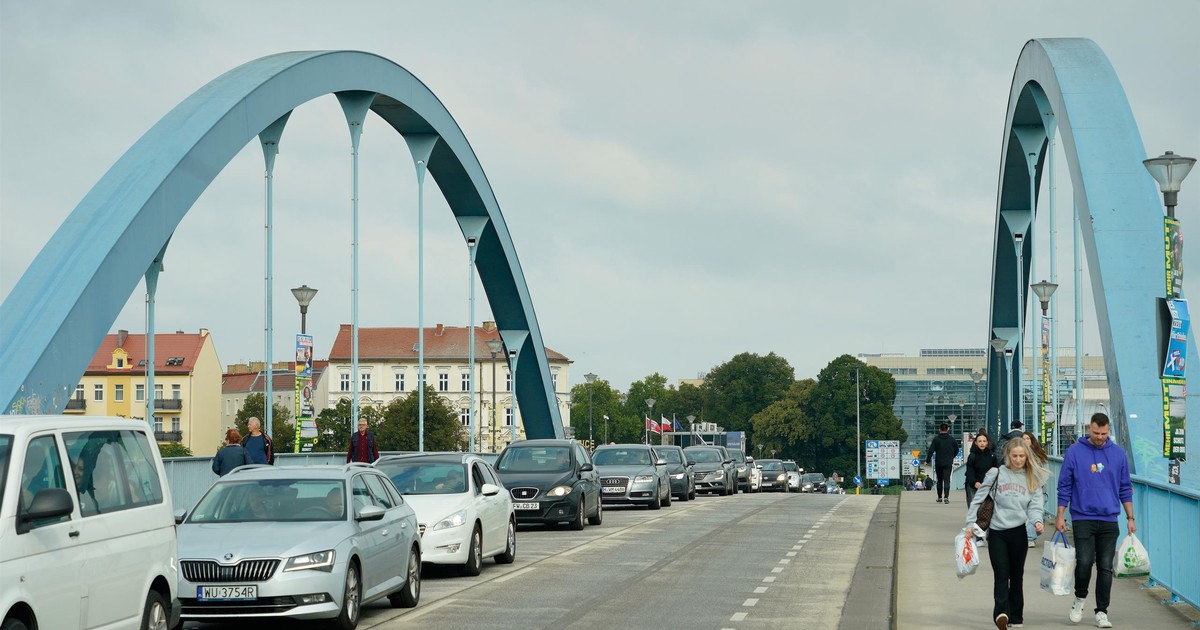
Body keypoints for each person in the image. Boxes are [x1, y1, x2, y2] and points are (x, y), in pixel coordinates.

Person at [1056, 413, 1134, 629]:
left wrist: (1130, 517)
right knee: (1084, 562)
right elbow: (1064, 486)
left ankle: (1101, 611)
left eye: (1104, 433)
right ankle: (1079, 599)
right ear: (1089, 428)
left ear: (1109, 431)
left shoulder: (1118, 454)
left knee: (1106, 566)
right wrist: (1061, 515)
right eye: (1096, 432)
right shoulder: (1074, 452)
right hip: (1082, 517)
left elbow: (1125, 487)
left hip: (1109, 519)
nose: (1100, 437)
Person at [966, 437, 1048, 630]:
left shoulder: (1032, 477)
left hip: (1019, 532)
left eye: (1022, 456)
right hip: (997, 532)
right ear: (1008, 456)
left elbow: (1035, 505)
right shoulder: (996, 474)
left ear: (1027, 456)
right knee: (1001, 573)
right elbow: (978, 500)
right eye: (1015, 456)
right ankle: (1001, 613)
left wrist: (1037, 521)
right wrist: (970, 525)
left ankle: (1017, 616)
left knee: (1016, 575)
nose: (1018, 459)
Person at [1022, 432, 1049, 548]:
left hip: (1037, 487)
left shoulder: (1039, 455)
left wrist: (1038, 483)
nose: (1026, 441)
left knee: (1037, 512)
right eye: (1023, 439)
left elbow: (1045, 471)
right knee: (1027, 513)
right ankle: (1029, 537)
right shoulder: (1019, 454)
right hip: (1024, 488)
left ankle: (1033, 533)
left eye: (1028, 438)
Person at [926, 423, 958, 504]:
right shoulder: (952, 439)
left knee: (939, 480)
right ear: (948, 429)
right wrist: (952, 457)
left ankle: (939, 497)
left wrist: (927, 460)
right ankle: (946, 497)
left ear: (939, 429)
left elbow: (931, 451)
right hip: (948, 463)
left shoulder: (936, 439)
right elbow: (957, 449)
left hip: (939, 463)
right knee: (947, 480)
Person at [964, 433, 999, 506]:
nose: (982, 443)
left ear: (987, 443)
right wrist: (975, 483)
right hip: (973, 486)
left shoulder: (992, 455)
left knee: (987, 510)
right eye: (979, 441)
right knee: (974, 508)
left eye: (984, 441)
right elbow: (969, 472)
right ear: (976, 443)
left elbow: (996, 470)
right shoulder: (972, 456)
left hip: (988, 486)